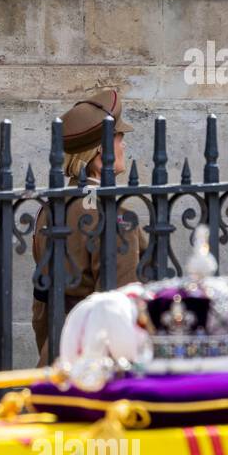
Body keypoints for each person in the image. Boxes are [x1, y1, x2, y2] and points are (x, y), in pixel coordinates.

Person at [30, 88, 145, 364]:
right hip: (95, 363)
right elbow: (119, 308)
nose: (124, 146)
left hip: (57, 351)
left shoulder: (49, 209)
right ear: (101, 152)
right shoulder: (115, 216)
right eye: (119, 138)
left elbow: (42, 307)